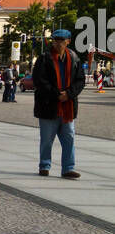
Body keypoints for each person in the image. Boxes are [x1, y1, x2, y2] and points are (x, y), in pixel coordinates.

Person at [32, 28, 84, 179]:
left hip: (68, 105)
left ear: (68, 41)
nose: (58, 43)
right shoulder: (44, 58)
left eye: (61, 40)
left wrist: (69, 93)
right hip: (49, 104)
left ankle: (68, 168)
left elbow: (80, 80)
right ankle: (44, 165)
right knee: (47, 139)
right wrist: (56, 94)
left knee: (69, 138)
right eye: (56, 40)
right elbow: (39, 80)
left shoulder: (74, 58)